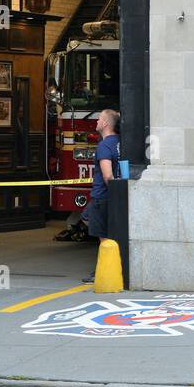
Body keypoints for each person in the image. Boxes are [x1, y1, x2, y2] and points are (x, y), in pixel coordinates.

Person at [82, 108, 120, 280]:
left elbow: (107, 174)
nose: (96, 122)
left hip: (102, 196)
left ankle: (104, 271)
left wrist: (112, 194)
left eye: (99, 119)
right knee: (86, 215)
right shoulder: (119, 142)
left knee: (103, 236)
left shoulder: (104, 145)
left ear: (105, 124)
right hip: (112, 196)